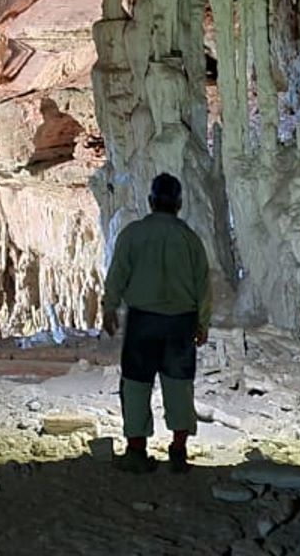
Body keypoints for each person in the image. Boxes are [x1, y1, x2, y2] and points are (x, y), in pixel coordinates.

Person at [101, 172, 212, 474]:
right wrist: (203, 323)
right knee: (179, 384)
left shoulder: (133, 234)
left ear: (151, 201)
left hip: (143, 321)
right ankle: (178, 450)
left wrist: (109, 307)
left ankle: (136, 450)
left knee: (136, 383)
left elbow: (118, 273)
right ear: (179, 203)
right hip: (180, 322)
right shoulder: (189, 239)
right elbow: (203, 284)